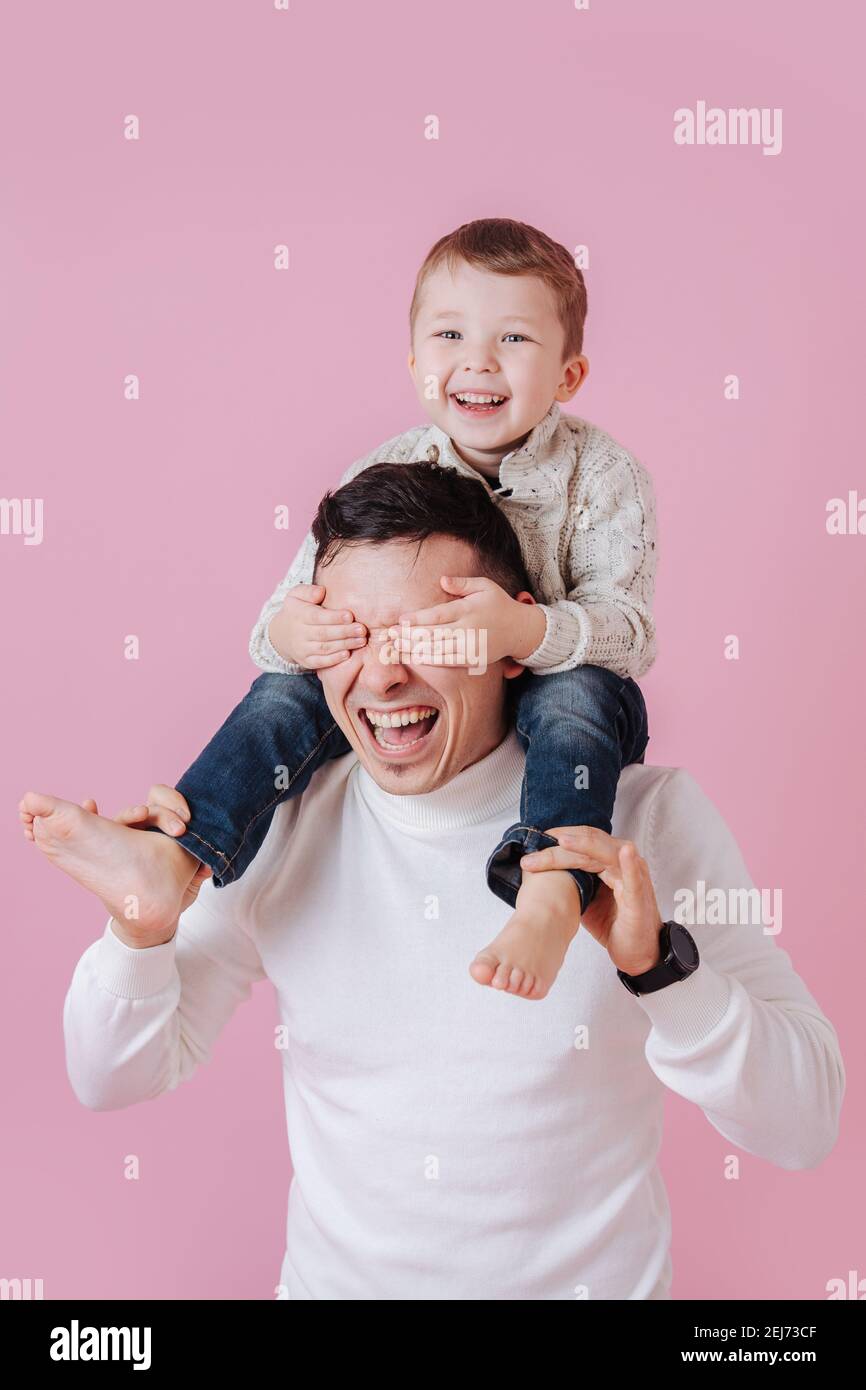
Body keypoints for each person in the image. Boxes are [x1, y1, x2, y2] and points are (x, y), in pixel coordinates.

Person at [20, 465, 844, 1300]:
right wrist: (139, 931)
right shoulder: (279, 824)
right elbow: (110, 1077)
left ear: (513, 645)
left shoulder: (644, 823)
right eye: (348, 639)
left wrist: (659, 974)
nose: (380, 679)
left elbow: (807, 1125)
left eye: (427, 636)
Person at [36, 216, 659, 1001]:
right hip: (428, 687)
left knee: (579, 693)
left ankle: (551, 889)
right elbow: (280, 621)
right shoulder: (385, 468)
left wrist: (527, 629)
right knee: (285, 688)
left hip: (557, 688)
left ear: (569, 377)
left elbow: (630, 637)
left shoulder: (603, 476)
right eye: (450, 335)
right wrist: (292, 631)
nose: (477, 361)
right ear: (413, 362)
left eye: (514, 340)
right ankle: (176, 857)